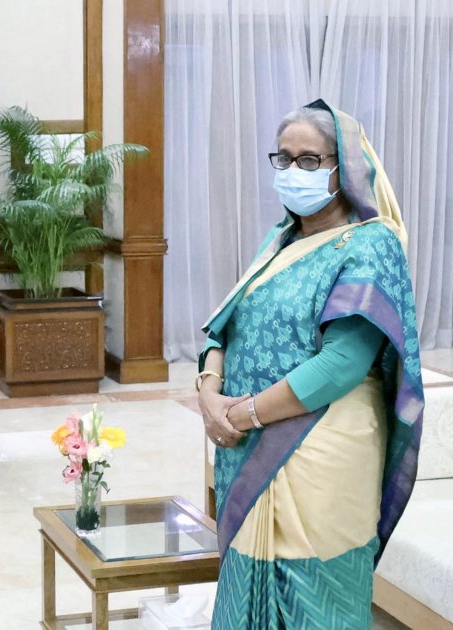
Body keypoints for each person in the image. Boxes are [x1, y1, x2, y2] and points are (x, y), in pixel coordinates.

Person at [198, 100, 424, 628]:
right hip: (246, 440)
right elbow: (225, 323)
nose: (293, 172)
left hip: (320, 449)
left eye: (309, 161)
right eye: (284, 159)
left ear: (343, 167)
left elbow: (344, 362)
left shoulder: (371, 245)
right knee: (244, 587)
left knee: (314, 598)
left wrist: (244, 414)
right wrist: (208, 391)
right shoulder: (280, 241)